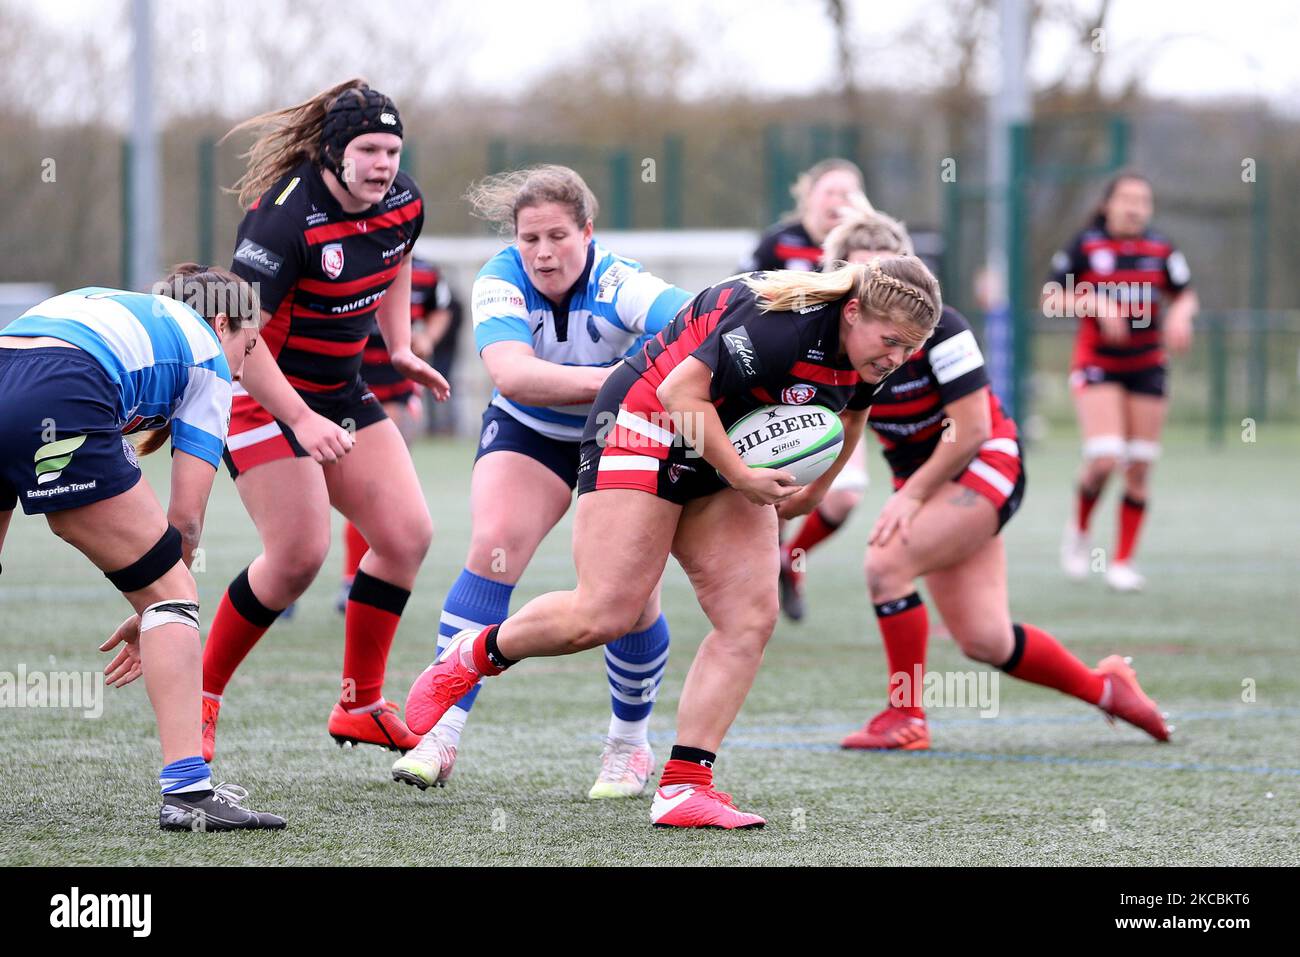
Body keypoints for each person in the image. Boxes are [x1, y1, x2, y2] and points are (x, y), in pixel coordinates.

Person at [406, 257, 943, 828]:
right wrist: (740, 475)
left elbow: (852, 419)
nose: (896, 358)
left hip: (723, 442)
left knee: (750, 619)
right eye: (890, 342)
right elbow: (680, 393)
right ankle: (474, 654)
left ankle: (685, 786)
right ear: (853, 311)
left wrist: (814, 492)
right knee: (604, 613)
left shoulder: (875, 349)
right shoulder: (780, 324)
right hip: (643, 420)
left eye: (910, 349)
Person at [822, 206, 1172, 751]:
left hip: (985, 461)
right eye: (859, 280)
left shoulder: (943, 328)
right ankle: (1108, 690)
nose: (874, 297)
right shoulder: (830, 347)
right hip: (929, 482)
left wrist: (912, 496)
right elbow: (836, 433)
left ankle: (905, 716)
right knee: (986, 640)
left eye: (884, 276)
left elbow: (972, 428)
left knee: (886, 564)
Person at [391, 166, 691, 798]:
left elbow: (696, 331)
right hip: (530, 426)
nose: (543, 252)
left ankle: (628, 747)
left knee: (630, 597)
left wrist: (638, 387)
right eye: (530, 238)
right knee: (492, 547)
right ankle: (440, 736)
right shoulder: (498, 279)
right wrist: (631, 374)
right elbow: (516, 377)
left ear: (588, 231)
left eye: (558, 235)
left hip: (620, 434)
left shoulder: (621, 281)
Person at [200, 79, 449, 763]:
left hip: (338, 391)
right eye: (369, 149)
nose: (384, 164)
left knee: (405, 537)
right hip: (258, 393)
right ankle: (199, 695)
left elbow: (395, 261)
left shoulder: (402, 200)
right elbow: (238, 342)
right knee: (299, 557)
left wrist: (398, 347)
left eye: (393, 149)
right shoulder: (282, 219)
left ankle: (360, 704)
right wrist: (300, 421)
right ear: (335, 150)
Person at [0, 267, 286, 830]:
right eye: (248, 348)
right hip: (61, 387)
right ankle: (187, 791)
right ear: (223, 323)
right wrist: (154, 606)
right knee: (174, 592)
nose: (244, 367)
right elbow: (186, 520)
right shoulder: (206, 355)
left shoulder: (131, 312)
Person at [1048, 172, 1197, 592]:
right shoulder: (1085, 246)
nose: (1135, 207)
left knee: (1140, 463)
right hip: (1099, 364)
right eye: (1127, 199)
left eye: (1143, 201)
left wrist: (1182, 312)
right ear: (1107, 204)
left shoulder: (1161, 248)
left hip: (1147, 364)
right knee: (1105, 458)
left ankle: (1123, 562)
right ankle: (1079, 532)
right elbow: (1051, 298)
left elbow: (1184, 292)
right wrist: (1091, 300)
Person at [743, 159, 870, 621]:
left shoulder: (867, 248)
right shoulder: (779, 242)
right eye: (831, 192)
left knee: (845, 492)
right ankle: (761, 587)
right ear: (808, 196)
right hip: (778, 387)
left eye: (849, 192)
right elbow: (741, 298)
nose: (839, 201)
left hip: (841, 390)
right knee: (775, 490)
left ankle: (789, 562)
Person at [335, 255, 448, 613]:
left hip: (396, 389)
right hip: (339, 387)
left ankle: (354, 579)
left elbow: (441, 308)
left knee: (375, 487)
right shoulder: (341, 257)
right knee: (309, 484)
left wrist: (427, 336)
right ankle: (285, 572)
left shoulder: (425, 269)